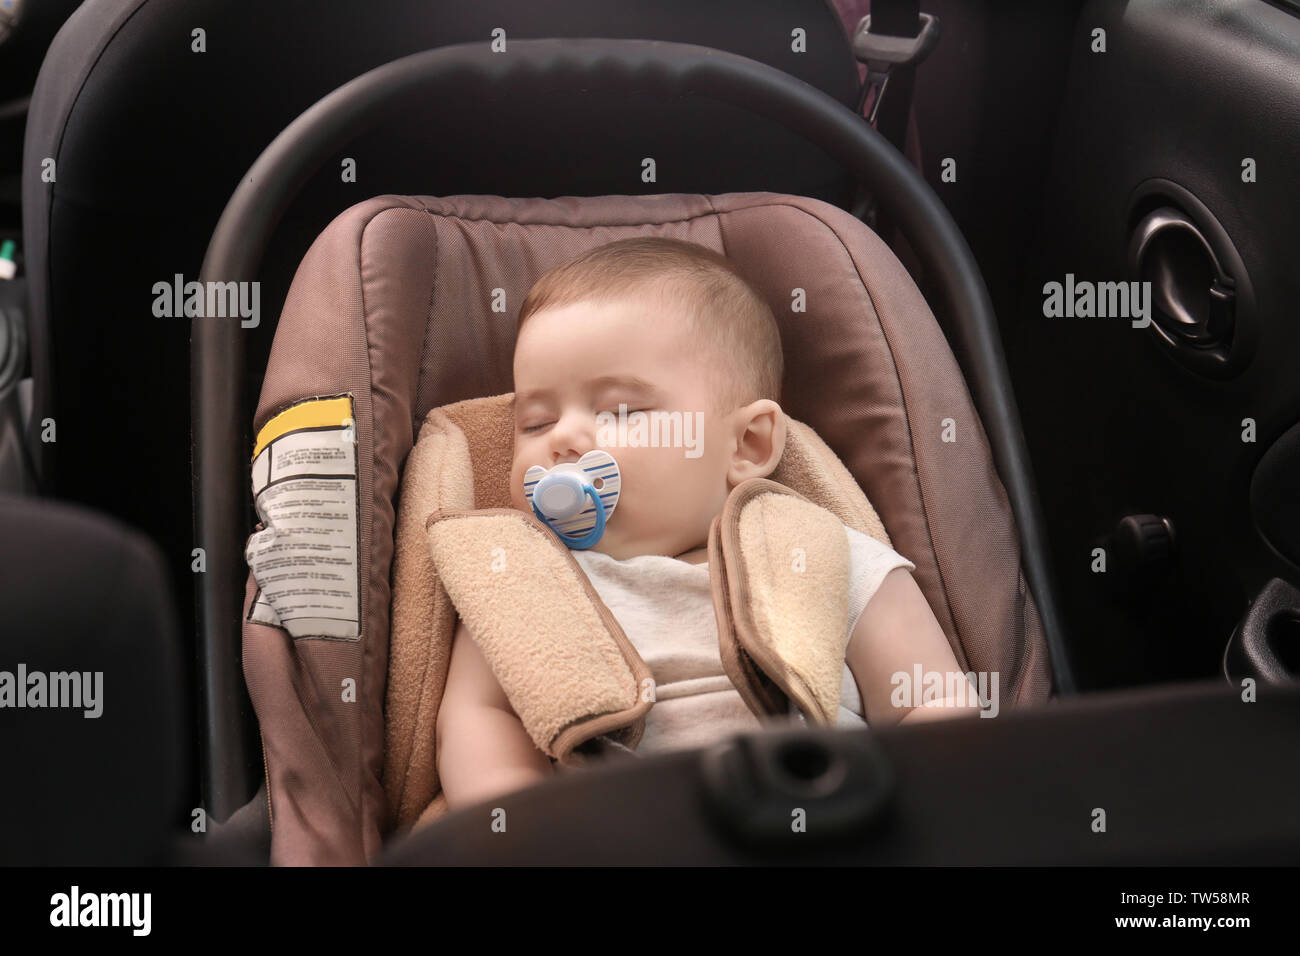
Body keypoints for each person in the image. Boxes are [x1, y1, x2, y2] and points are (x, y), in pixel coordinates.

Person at [435, 236, 982, 812]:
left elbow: (929, 699)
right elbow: (479, 718)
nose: (563, 440)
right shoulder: (521, 583)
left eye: (620, 410)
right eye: (535, 421)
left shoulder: (820, 552)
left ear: (746, 444)